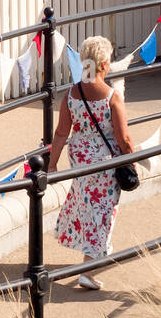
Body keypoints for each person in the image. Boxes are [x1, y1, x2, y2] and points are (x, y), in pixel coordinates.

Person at [47, 36, 134, 290]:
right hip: (105, 162)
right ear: (104, 65)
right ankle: (89, 266)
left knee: (87, 204)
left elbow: (61, 132)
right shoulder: (112, 97)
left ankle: (95, 250)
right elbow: (123, 137)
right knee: (103, 210)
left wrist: (52, 165)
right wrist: (132, 160)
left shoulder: (71, 93)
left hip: (80, 157)